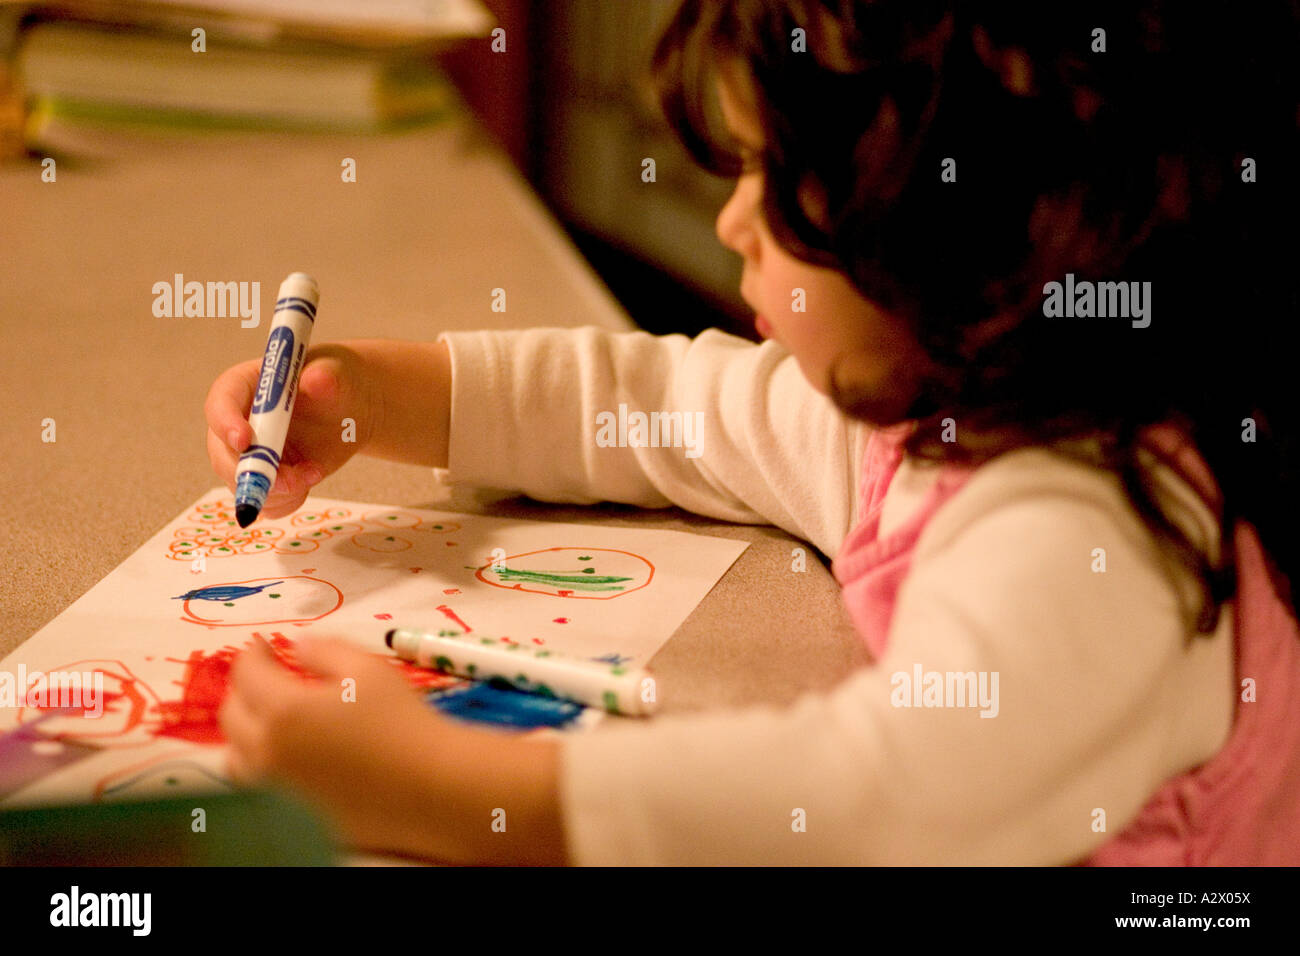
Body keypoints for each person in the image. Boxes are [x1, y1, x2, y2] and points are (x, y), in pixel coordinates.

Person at [204, 0, 1299, 864]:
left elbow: (879, 804)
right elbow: (666, 408)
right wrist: (377, 398)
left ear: (957, 221)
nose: (731, 220)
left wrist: (441, 789)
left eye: (774, 177)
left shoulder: (1087, 530)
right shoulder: (936, 398)